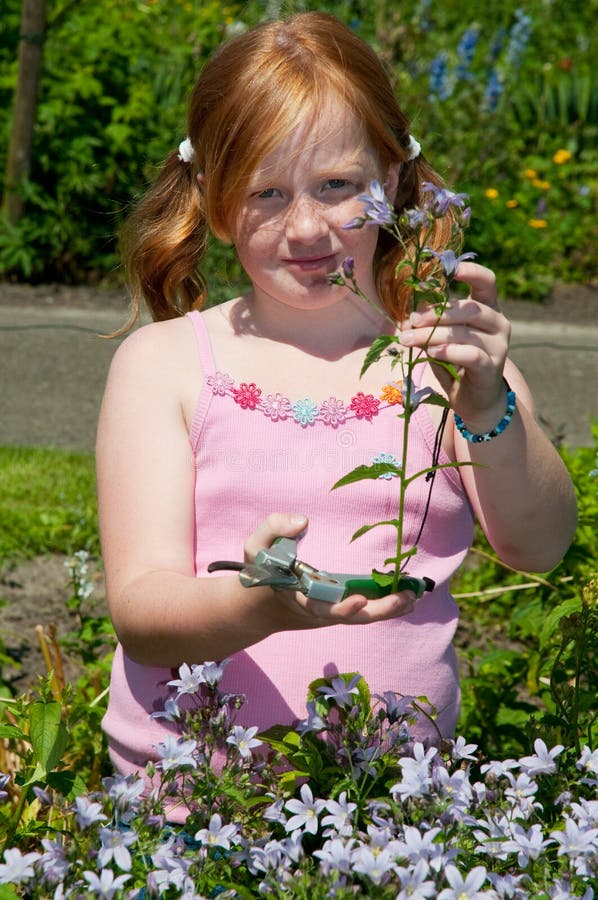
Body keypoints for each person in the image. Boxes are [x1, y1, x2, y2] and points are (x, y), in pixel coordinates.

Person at [96, 12, 577, 816]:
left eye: (338, 186)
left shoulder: (445, 357)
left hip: (398, 813)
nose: (309, 227)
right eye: (268, 194)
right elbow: (143, 611)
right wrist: (260, 605)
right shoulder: (168, 365)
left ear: (392, 181)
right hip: (198, 807)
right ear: (213, 200)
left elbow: (538, 544)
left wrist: (488, 402)